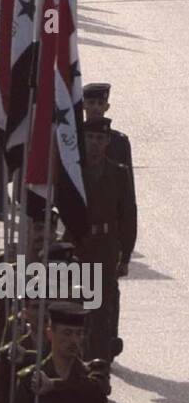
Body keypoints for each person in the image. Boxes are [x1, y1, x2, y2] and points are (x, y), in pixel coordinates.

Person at [72, 118, 136, 362]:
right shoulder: (72, 171)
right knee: (76, 305)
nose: (94, 143)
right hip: (77, 244)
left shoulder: (118, 173)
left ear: (108, 141)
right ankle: (74, 364)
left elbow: (128, 214)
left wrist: (126, 254)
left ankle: (98, 369)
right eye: (90, 138)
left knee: (100, 310)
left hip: (104, 247)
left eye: (100, 138)